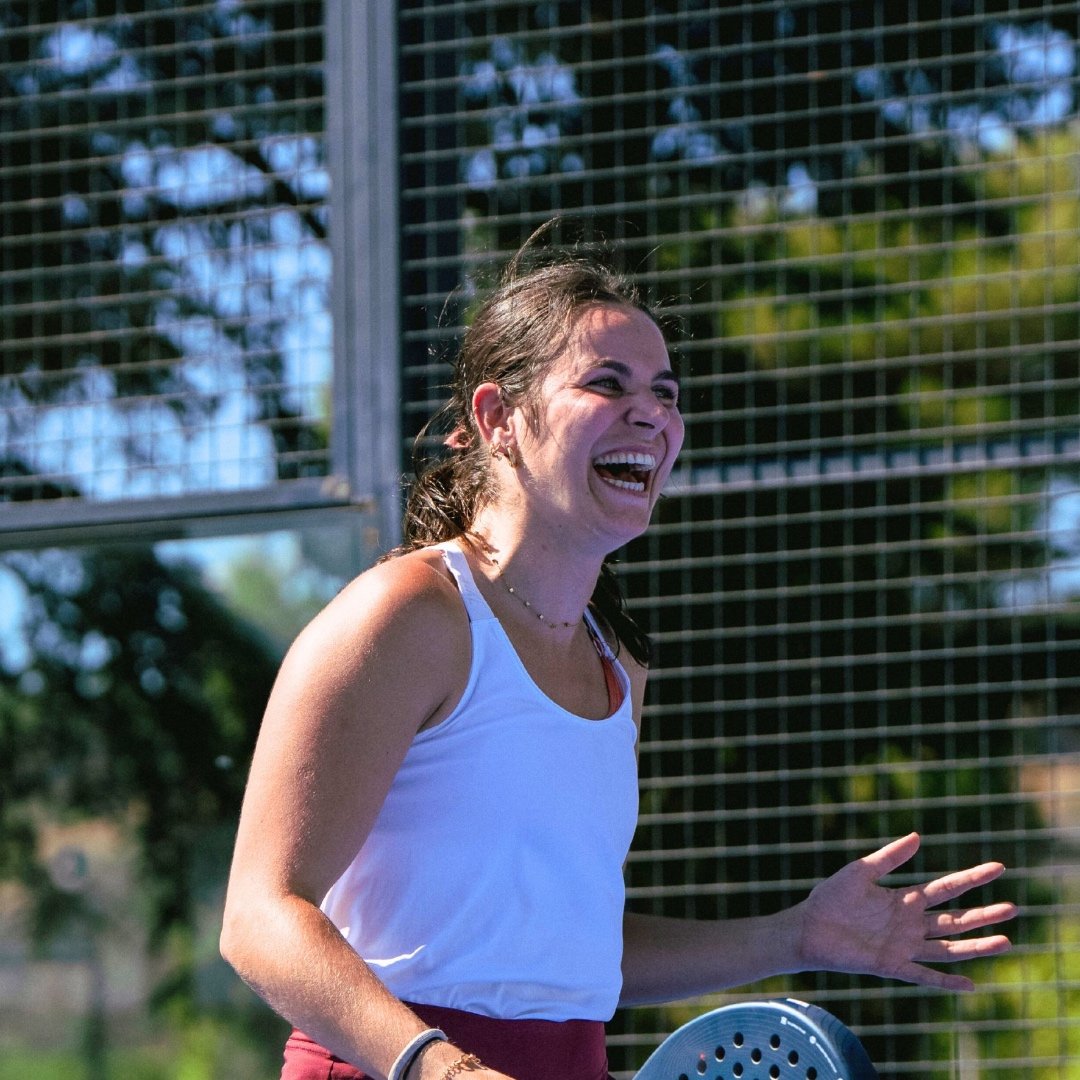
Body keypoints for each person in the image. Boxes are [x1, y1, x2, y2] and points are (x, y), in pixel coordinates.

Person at [219, 237, 1018, 1080]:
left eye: (665, 394)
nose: (652, 415)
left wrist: (797, 934)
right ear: (498, 420)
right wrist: (439, 1068)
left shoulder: (616, 670)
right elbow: (259, 917)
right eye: (607, 383)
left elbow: (565, 962)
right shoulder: (407, 617)